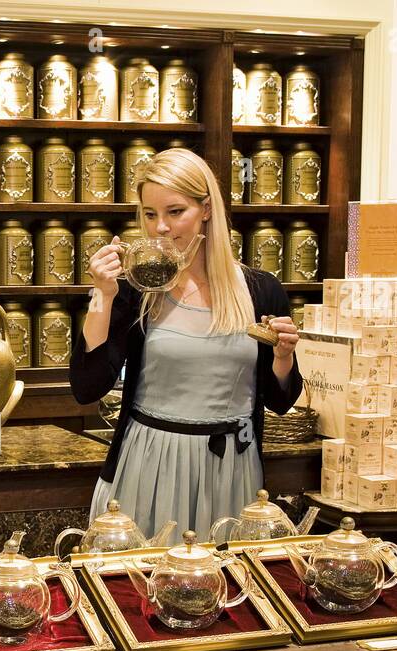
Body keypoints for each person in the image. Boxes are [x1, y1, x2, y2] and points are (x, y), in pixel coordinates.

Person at [70, 148, 303, 542]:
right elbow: (86, 386)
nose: (160, 227)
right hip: (150, 463)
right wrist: (103, 296)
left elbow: (280, 400)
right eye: (148, 214)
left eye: (175, 212)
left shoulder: (261, 290)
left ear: (206, 209)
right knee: (142, 591)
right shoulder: (136, 290)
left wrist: (283, 356)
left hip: (231, 466)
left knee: (224, 591)